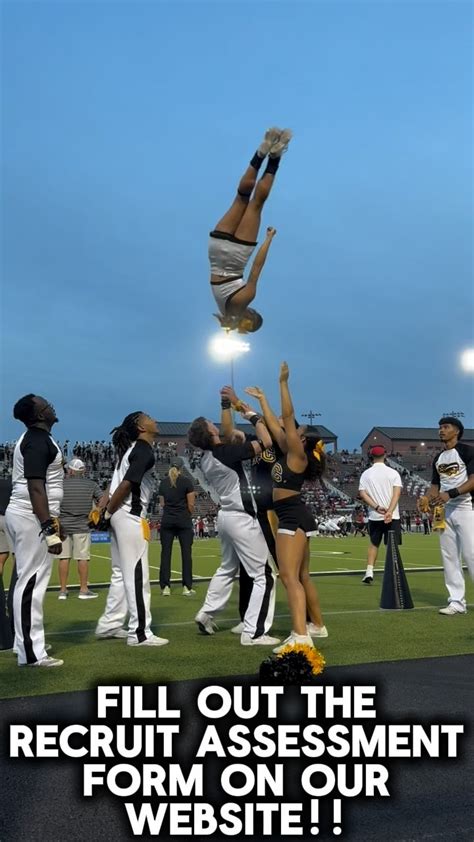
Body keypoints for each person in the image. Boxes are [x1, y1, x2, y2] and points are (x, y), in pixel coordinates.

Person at [188, 389, 280, 646]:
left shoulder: (208, 457)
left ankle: (207, 613)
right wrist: (252, 415)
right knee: (264, 575)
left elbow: (228, 438)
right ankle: (254, 632)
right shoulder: (225, 453)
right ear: (211, 433)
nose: (214, 424)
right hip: (241, 517)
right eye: (210, 424)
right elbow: (267, 442)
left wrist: (227, 410)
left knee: (227, 568)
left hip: (226, 517)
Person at [247, 363, 327, 652]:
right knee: (302, 576)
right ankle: (317, 625)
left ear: (301, 439)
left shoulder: (297, 453)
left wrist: (283, 383)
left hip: (291, 516)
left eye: (297, 431)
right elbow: (275, 423)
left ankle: (300, 635)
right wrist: (262, 401)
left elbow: (289, 416)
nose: (290, 428)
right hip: (297, 514)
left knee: (288, 576)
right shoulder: (290, 450)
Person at [95, 412, 168, 646]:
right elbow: (126, 485)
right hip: (130, 516)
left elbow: (112, 485)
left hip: (119, 515)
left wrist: (104, 510)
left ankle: (110, 623)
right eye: (149, 417)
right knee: (137, 573)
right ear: (140, 426)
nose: (154, 419)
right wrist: (105, 513)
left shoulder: (127, 450)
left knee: (120, 573)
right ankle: (140, 633)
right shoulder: (143, 449)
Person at [209, 127, 292, 334]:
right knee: (242, 198)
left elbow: (257, 267)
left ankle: (271, 156)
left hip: (237, 255)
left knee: (254, 202)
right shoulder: (225, 311)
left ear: (252, 314)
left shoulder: (246, 298)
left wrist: (269, 239)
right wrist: (231, 328)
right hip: (216, 250)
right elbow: (229, 322)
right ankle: (263, 154)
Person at [5, 394, 64, 667]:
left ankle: (26, 642)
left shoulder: (37, 439)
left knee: (27, 580)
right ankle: (30, 653)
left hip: (29, 516)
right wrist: (48, 528)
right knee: (31, 582)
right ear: (40, 415)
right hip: (31, 517)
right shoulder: (37, 441)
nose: (52, 406)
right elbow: (35, 488)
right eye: (46, 405)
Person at [418, 417, 474, 615]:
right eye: (440, 427)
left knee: (471, 554)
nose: (441, 430)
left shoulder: (467, 451)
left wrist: (449, 494)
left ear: (456, 431)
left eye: (446, 427)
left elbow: (473, 481)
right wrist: (426, 498)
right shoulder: (438, 458)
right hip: (444, 511)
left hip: (466, 507)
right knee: (449, 556)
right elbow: (435, 486)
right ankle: (457, 602)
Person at [57, 458, 103, 600]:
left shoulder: (61, 484)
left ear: (70, 470)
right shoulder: (91, 484)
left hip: (63, 526)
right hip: (83, 525)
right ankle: (83, 589)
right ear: (83, 470)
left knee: (63, 558)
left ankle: (63, 591)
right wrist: (96, 512)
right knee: (82, 558)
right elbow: (102, 500)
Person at [358, 445, 403, 584]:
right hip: (392, 516)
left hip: (375, 515)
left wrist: (376, 507)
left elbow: (362, 493)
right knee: (392, 546)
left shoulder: (366, 473)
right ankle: (393, 574)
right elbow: (397, 494)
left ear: (371, 456)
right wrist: (389, 511)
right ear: (385, 455)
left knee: (373, 544)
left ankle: (369, 571)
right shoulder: (393, 473)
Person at [158, 457, 196, 597]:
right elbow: (191, 504)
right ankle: (187, 587)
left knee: (165, 554)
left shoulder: (163, 483)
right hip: (183, 521)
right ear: (181, 467)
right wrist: (187, 515)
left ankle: (165, 587)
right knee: (186, 554)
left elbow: (162, 504)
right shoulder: (186, 482)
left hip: (167, 520)